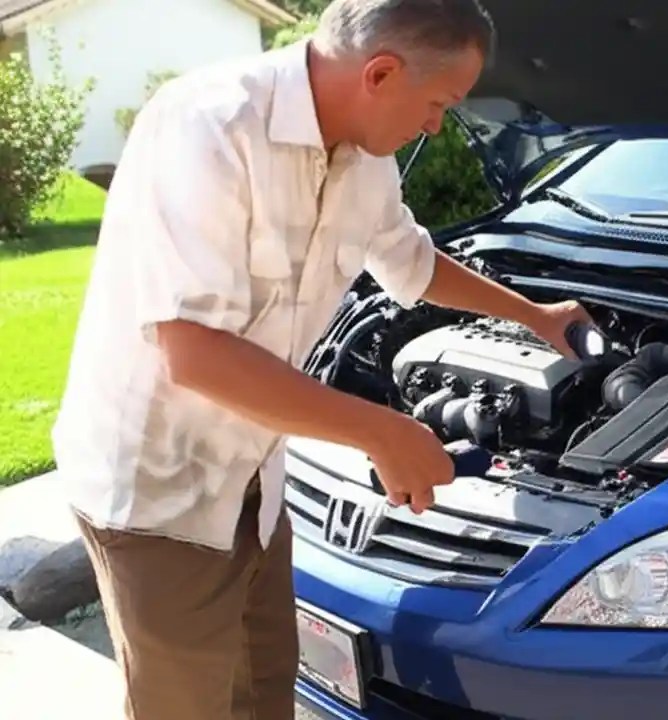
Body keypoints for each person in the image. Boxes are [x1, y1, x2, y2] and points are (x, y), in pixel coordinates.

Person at [50, 1, 589, 717]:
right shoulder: (208, 127)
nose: (435, 126)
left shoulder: (365, 156)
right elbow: (195, 354)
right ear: (381, 72)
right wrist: (384, 432)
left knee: (265, 693)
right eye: (438, 104)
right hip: (158, 495)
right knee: (182, 707)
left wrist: (535, 316)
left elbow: (411, 262)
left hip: (254, 481)